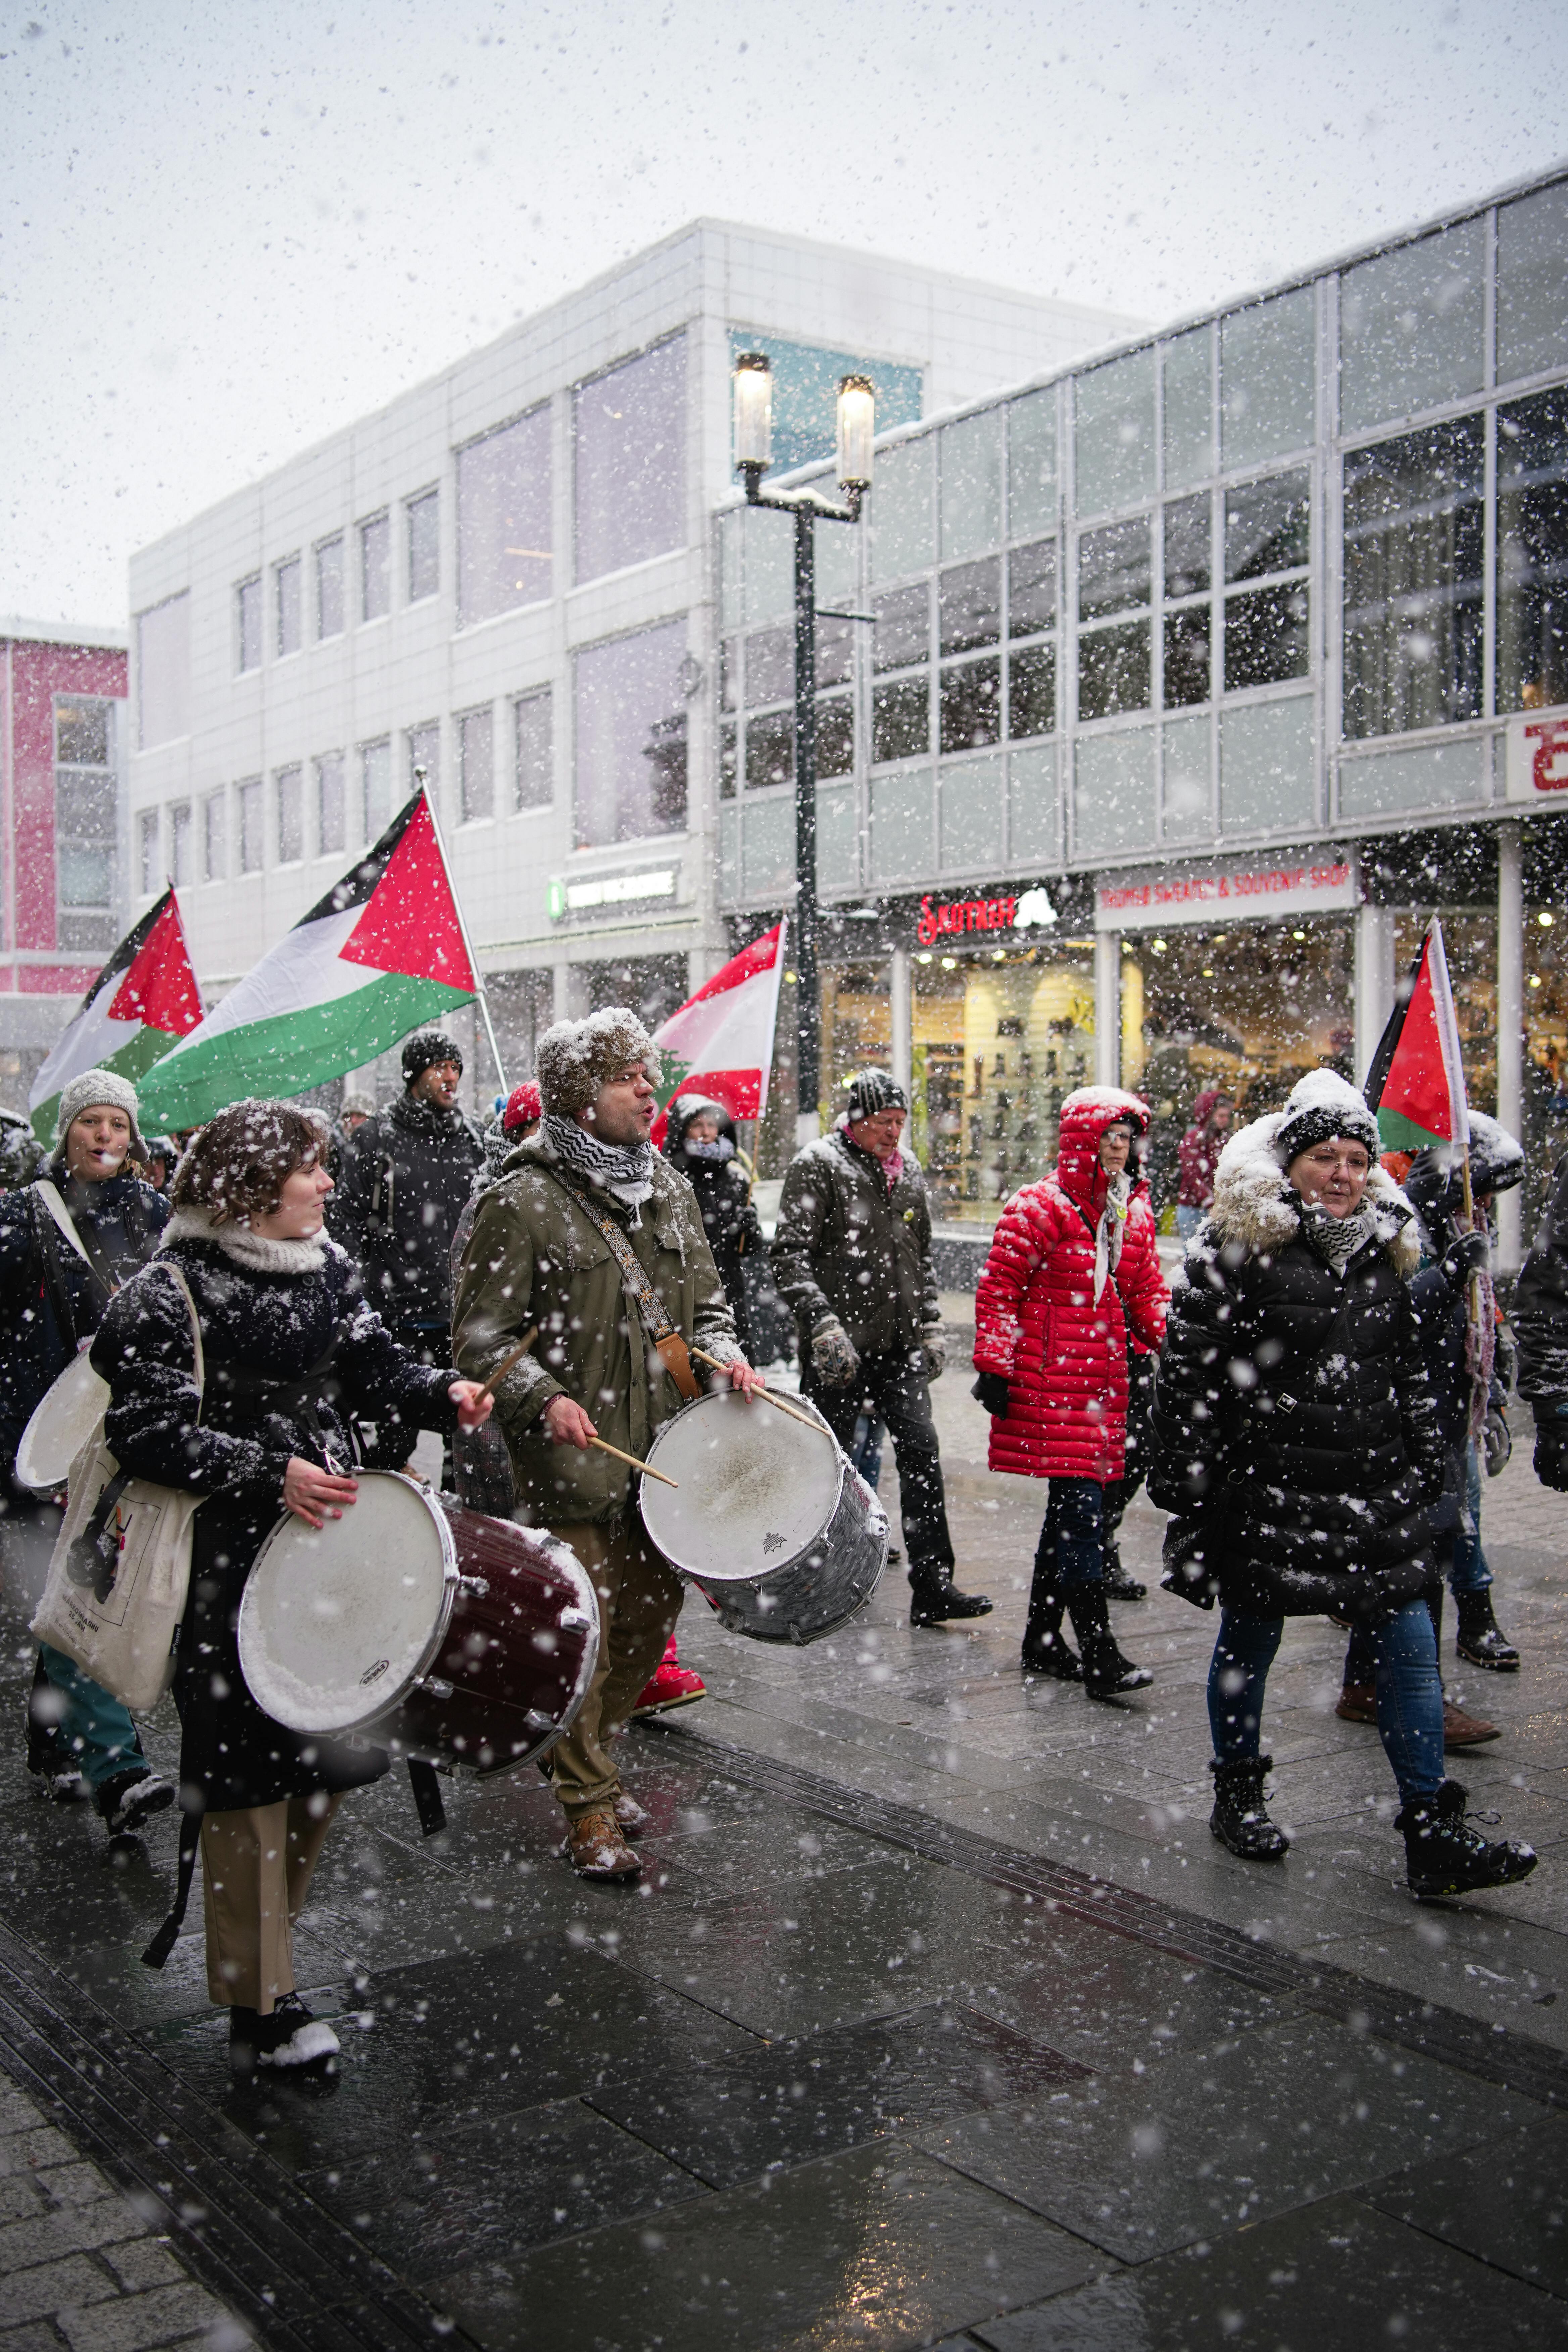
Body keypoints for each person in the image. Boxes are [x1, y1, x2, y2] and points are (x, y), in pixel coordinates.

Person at [91, 1101, 492, 2073]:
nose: (327, 1185)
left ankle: (269, 1946)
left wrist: (440, 1391)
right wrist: (264, 1471)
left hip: (329, 1562)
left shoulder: (330, 1268)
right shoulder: (168, 1290)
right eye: (310, 1170)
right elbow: (142, 1433)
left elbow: (371, 1366)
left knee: (329, 1766)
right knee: (245, 1780)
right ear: (253, 1186)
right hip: (226, 1568)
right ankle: (259, 1996)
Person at [1148, 1068, 1536, 1899]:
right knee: (1248, 1646)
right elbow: (1186, 1380)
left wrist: (1429, 1459)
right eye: (1324, 1156)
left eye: (1357, 1159)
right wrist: (1185, 1496)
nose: (1343, 1174)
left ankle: (1430, 1830)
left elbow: (1397, 1359)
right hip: (1270, 1491)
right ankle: (1238, 1794)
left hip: (1373, 1491)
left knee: (1409, 1656)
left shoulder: (1383, 1247)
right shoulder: (1234, 1246)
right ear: (1289, 1164)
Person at [453, 1009, 763, 1883]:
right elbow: (480, 1337)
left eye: (646, 1073)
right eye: (629, 1075)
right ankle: (589, 1809)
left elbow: (707, 1305)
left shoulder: (668, 1186)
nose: (648, 1087)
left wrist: (727, 1356)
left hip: (668, 1455)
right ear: (583, 1098)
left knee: (646, 1626)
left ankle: (585, 1753)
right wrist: (539, 1396)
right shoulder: (521, 1200)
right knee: (584, 1636)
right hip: (573, 1460)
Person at [0, 1071, 175, 1834]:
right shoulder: (20, 1219)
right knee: (81, 1585)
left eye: (116, 1122)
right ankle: (119, 1767)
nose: (104, 1135)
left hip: (126, 1427)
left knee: (74, 1589)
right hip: (47, 1432)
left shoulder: (155, 1215)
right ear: (66, 1132)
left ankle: (54, 1738)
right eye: (90, 1122)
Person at [771, 1070, 989, 1629]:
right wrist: (822, 1323)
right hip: (838, 1350)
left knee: (921, 1451)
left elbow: (921, 1260)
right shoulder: (817, 1163)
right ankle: (817, 1578)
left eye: (900, 1122)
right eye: (882, 1122)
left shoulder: (908, 1170)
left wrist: (933, 1326)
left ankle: (934, 1582)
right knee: (831, 1466)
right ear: (855, 1120)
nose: (894, 1132)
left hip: (897, 1346)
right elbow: (788, 1256)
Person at [972, 1088, 1167, 1697]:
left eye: (1126, 1138)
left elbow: (1145, 1294)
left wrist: (1178, 1345)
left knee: (1068, 1514)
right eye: (1109, 1137)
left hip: (1102, 1387)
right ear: (1083, 1141)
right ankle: (1098, 1650)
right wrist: (994, 1366)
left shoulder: (1130, 1212)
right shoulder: (1039, 1207)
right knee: (1081, 1516)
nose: (1119, 1149)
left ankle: (1042, 1637)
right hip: (1052, 1382)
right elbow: (999, 1288)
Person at [1336, 1114, 1524, 1741]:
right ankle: (1416, 1697)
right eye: (1482, 1188)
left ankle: (1370, 1682)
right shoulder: (1404, 1228)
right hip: (1406, 1417)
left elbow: (1479, 1328)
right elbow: (1385, 1314)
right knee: (1418, 1560)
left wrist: (1490, 1395)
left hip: (1442, 1412)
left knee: (1418, 1556)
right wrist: (1445, 1274)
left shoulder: (1460, 1225)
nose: (1488, 1204)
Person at [331, 1028, 483, 1378]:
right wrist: (356, 1298)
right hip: (398, 1318)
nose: (451, 1077)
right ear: (415, 1075)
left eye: (455, 1068)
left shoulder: (472, 1137)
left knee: (466, 1428)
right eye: (440, 1067)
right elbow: (347, 1219)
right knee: (398, 1431)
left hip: (464, 1318)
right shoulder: (376, 1137)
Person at [1174, 1087, 1233, 1241]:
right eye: (1220, 1116)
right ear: (1209, 1116)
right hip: (1193, 1209)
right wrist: (1209, 1201)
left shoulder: (1224, 1137)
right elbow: (1192, 1174)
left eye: (1227, 1116)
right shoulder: (1195, 1138)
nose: (1225, 1120)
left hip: (1214, 1208)